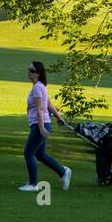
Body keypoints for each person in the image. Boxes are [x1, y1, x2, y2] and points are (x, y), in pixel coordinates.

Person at [19, 60, 72, 193]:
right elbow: (49, 106)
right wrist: (60, 119)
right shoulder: (42, 86)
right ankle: (63, 171)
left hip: (39, 124)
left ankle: (33, 184)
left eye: (31, 71)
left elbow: (40, 110)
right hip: (42, 124)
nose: (29, 73)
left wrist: (41, 127)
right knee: (40, 155)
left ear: (38, 73)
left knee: (28, 153)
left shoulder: (37, 87)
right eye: (29, 70)